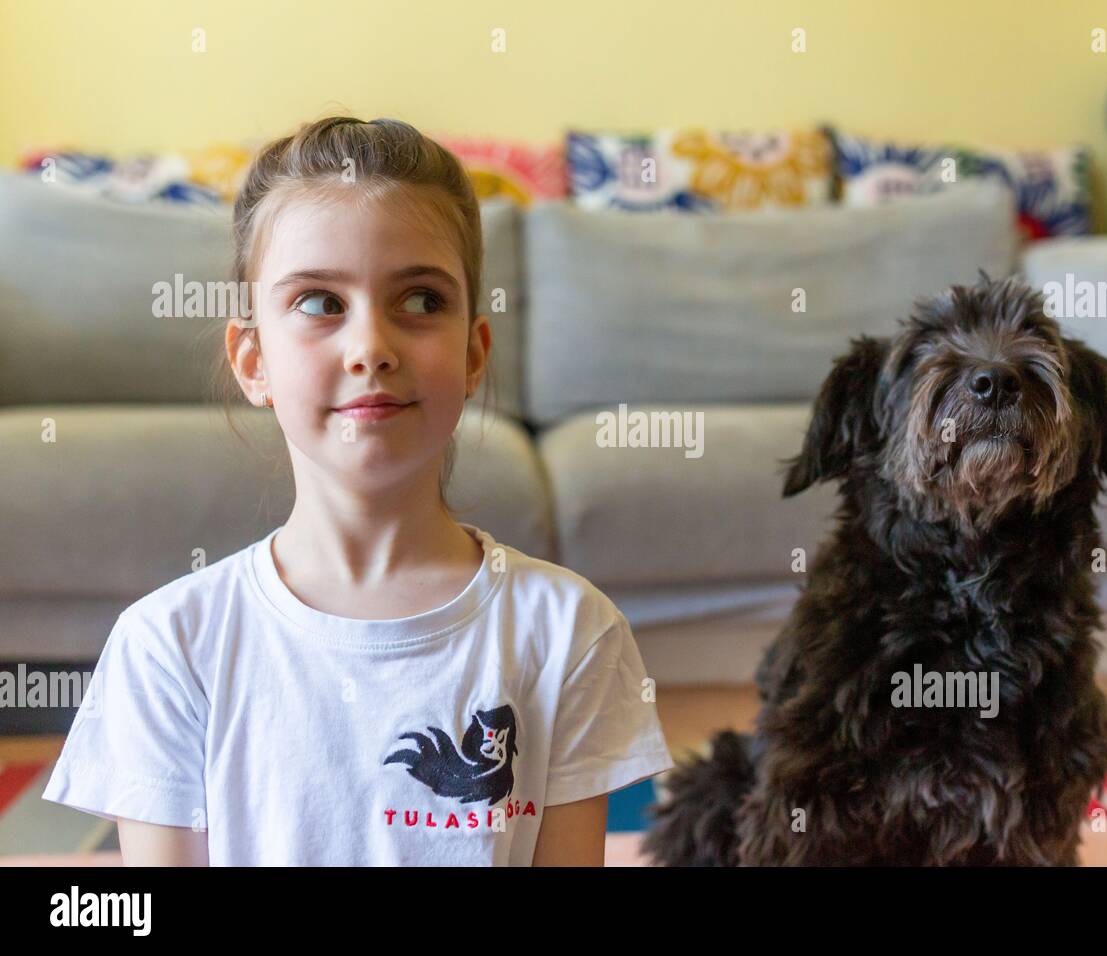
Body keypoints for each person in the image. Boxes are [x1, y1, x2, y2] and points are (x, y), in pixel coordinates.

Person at [42, 116, 675, 866]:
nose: (371, 348)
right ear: (252, 361)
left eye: (420, 301)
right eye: (319, 303)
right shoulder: (166, 648)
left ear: (475, 355)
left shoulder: (571, 631)